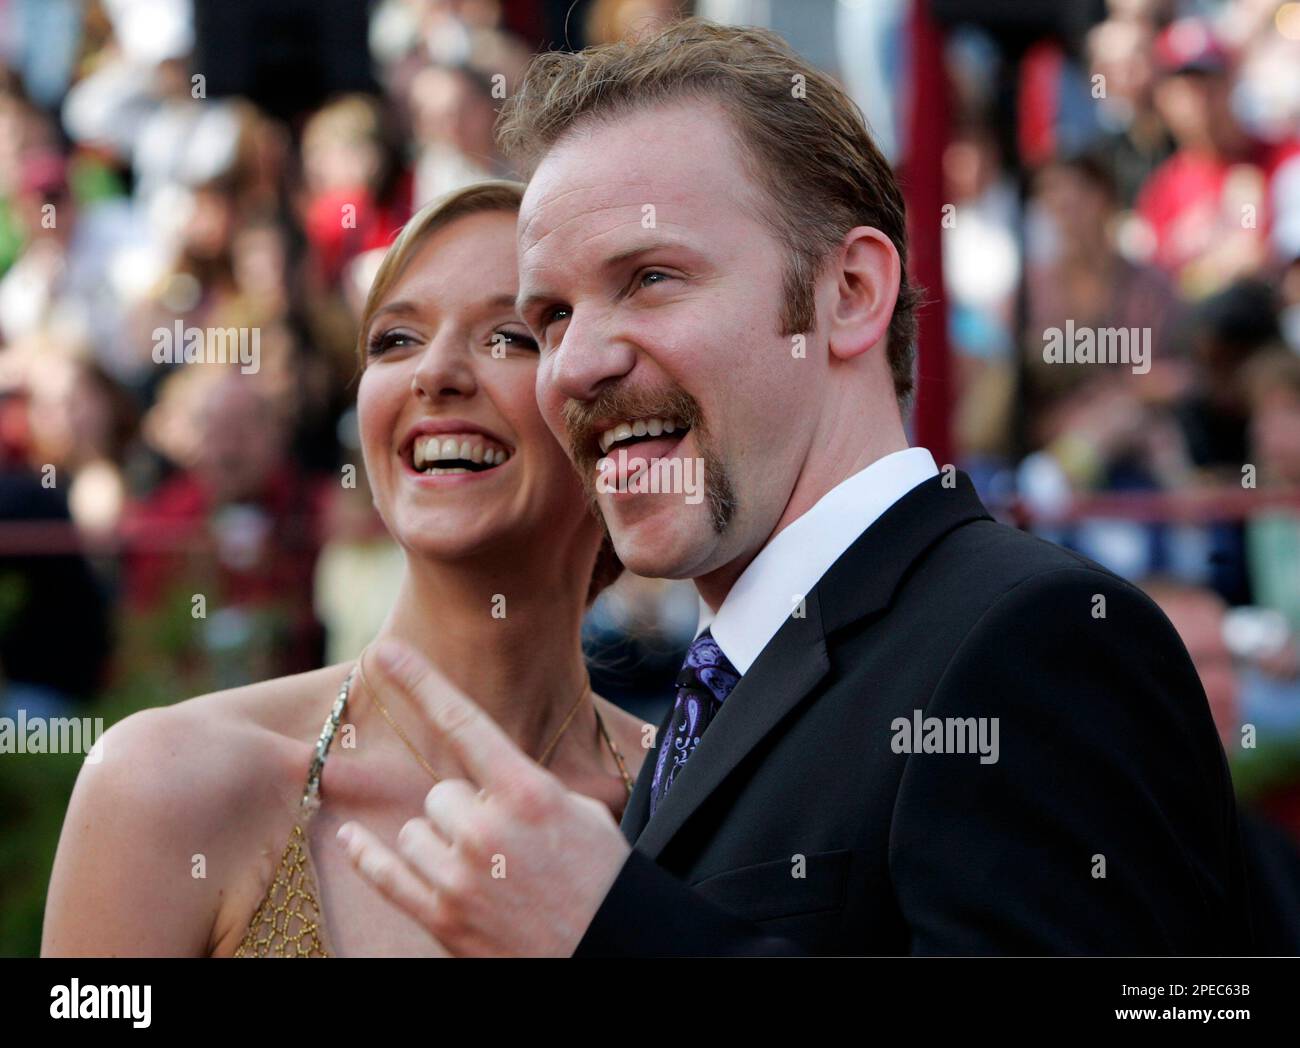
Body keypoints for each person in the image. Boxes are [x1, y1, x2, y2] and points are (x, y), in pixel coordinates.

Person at [336, 18, 1253, 956]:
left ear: (850, 292)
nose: (576, 366)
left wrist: (608, 933)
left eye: (650, 278)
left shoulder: (1039, 646)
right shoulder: (715, 697)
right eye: (553, 315)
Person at [41, 180, 648, 957]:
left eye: (508, 336)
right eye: (395, 340)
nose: (434, 374)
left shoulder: (696, 800)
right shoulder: (166, 781)